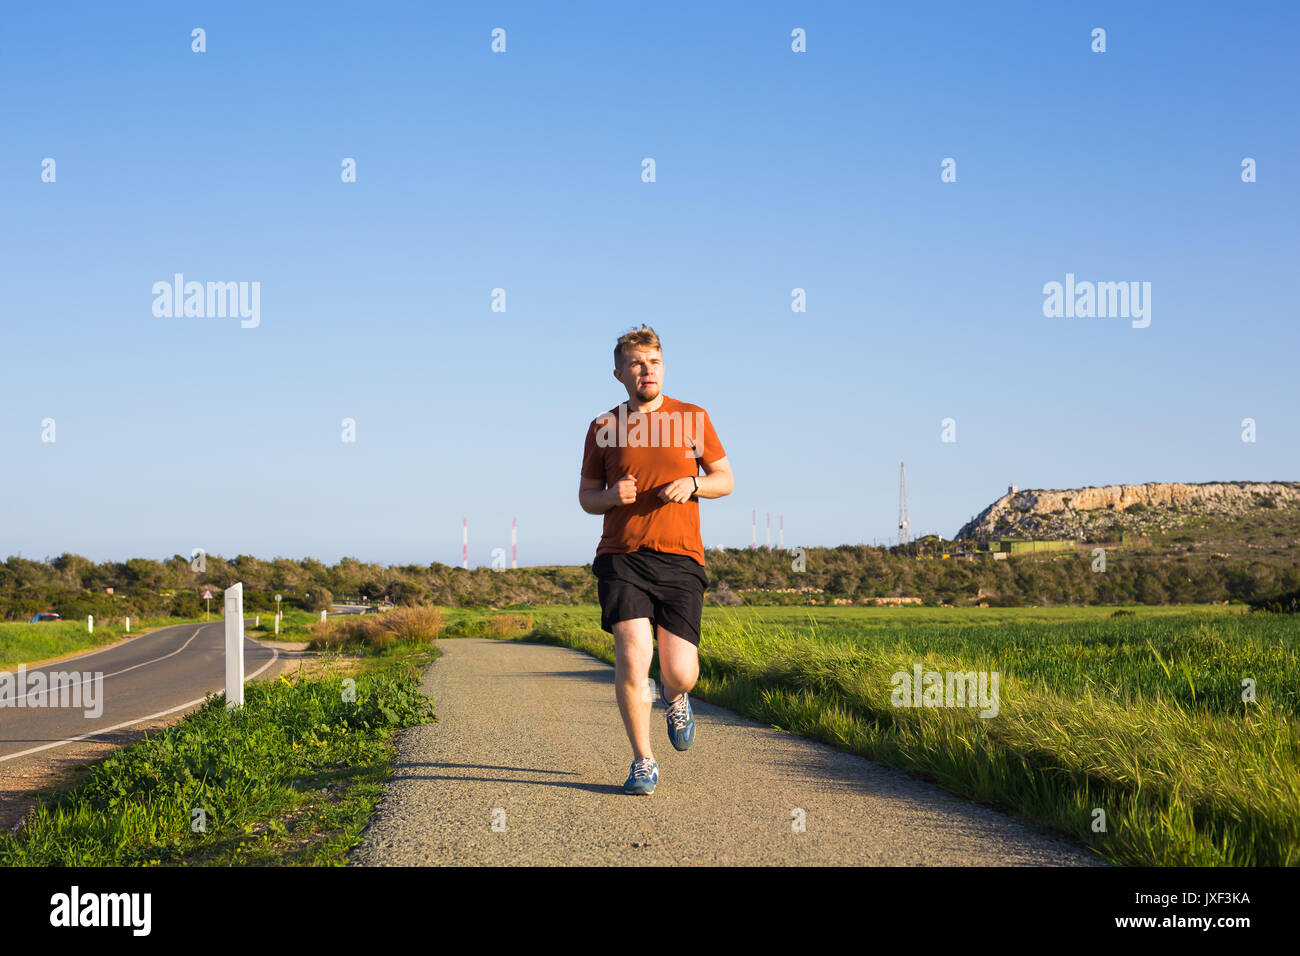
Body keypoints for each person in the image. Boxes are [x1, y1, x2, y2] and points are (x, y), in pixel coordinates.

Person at [578, 325, 734, 794]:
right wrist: (610, 495)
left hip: (681, 559)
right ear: (619, 373)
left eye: (655, 362)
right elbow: (586, 497)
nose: (648, 371)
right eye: (637, 364)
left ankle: (676, 695)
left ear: (664, 367)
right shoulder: (604, 427)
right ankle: (642, 761)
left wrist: (693, 484)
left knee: (680, 670)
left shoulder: (692, 418)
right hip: (622, 557)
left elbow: (724, 478)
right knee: (631, 657)